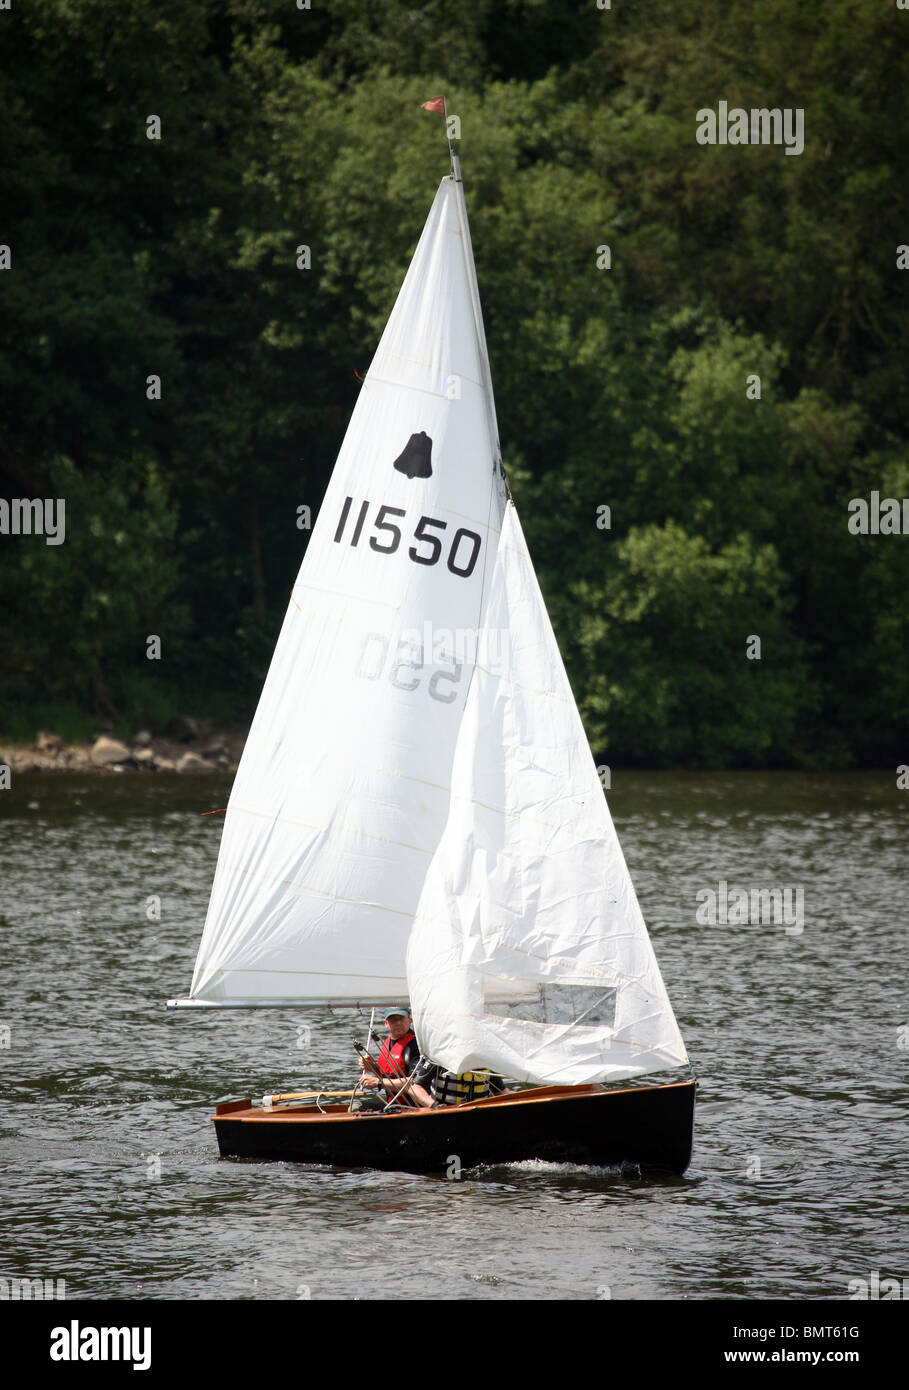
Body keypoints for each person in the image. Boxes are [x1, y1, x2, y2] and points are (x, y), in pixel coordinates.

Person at [358, 1007, 424, 1105]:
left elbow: (414, 1082)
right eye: (393, 1020)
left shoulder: (416, 1046)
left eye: (401, 1018)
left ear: (410, 1020)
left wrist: (378, 1083)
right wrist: (372, 1067)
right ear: (386, 1023)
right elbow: (389, 1075)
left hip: (412, 1106)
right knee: (356, 1106)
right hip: (393, 1103)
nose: (398, 1023)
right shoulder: (387, 1043)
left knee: (355, 1108)